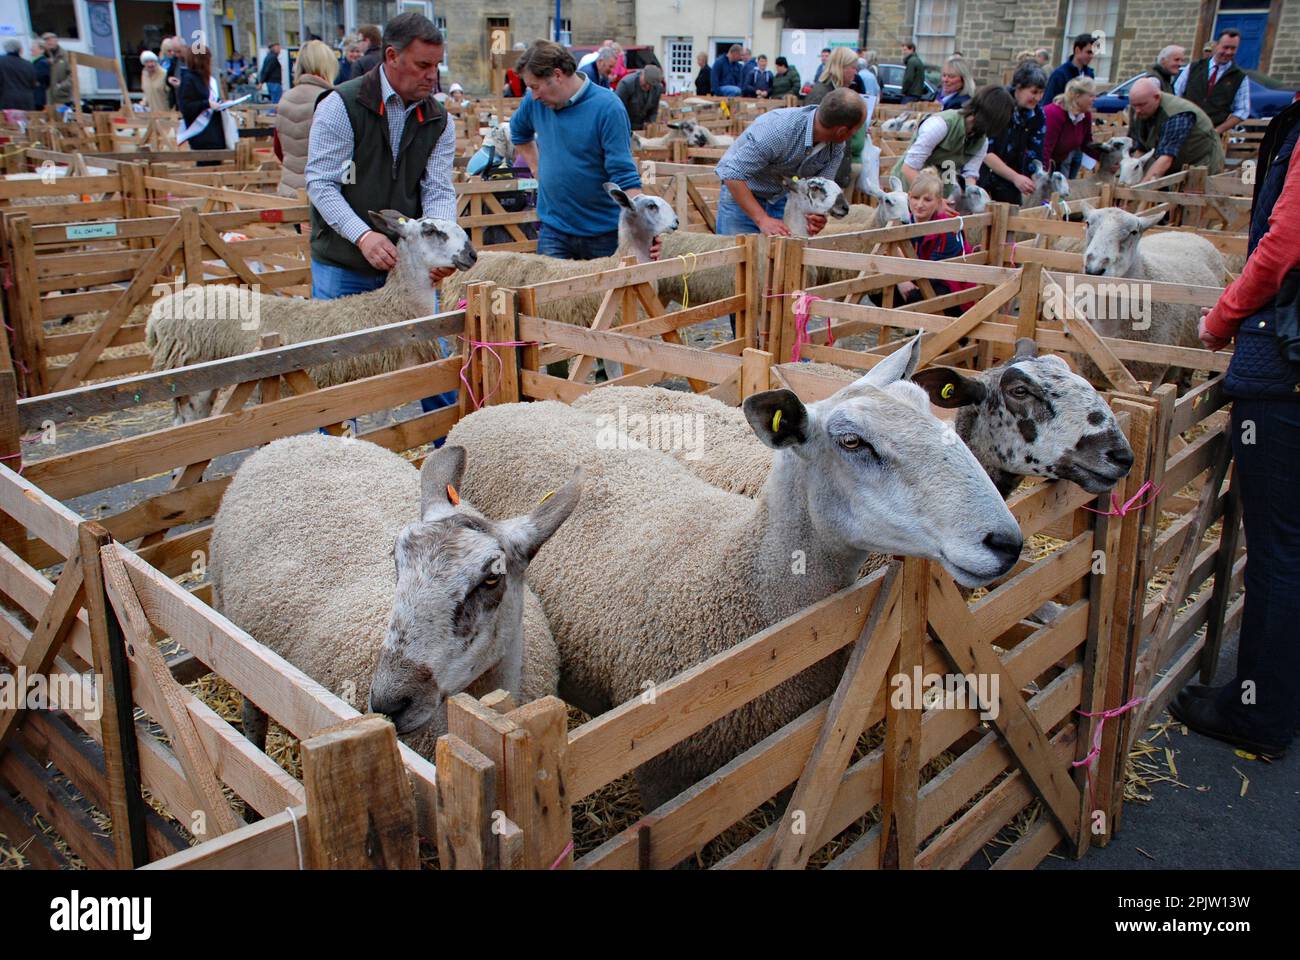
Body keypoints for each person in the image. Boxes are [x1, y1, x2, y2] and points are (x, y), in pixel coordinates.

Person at [1176, 98, 1300, 760]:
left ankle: (1258, 711)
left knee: (1279, 552)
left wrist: (1222, 318)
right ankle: (1280, 694)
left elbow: (1285, 242)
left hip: (1287, 362)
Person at [306, 12, 458, 415]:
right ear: (391, 56)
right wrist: (362, 235)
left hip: (407, 269)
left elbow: (438, 190)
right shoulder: (341, 105)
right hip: (344, 261)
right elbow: (322, 183)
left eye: (436, 66)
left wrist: (438, 251)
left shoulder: (439, 119)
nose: (432, 76)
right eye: (423, 65)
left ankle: (452, 461)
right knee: (336, 371)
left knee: (436, 366)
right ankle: (336, 468)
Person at [509, 40, 646, 260]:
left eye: (535, 86)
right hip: (554, 230)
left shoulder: (608, 107)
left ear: (557, 75)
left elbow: (623, 173)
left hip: (603, 233)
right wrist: (537, 168)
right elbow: (518, 132)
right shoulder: (534, 102)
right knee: (551, 294)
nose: (533, 94)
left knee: (603, 295)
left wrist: (643, 222)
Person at [714, 88, 866, 237]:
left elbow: (821, 187)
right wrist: (762, 219)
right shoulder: (778, 132)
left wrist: (817, 217)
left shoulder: (836, 147)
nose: (856, 135)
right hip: (743, 197)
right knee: (738, 258)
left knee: (779, 259)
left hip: (782, 199)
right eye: (857, 130)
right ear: (842, 131)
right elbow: (732, 174)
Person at [893, 84, 1015, 202]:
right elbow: (909, 168)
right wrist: (935, 202)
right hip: (908, 192)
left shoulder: (982, 142)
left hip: (941, 194)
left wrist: (969, 197)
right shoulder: (940, 125)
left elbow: (970, 176)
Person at [893, 168, 975, 308]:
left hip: (951, 286)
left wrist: (902, 277)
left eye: (927, 200)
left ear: (938, 201)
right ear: (909, 197)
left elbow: (933, 272)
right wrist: (901, 280)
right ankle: (903, 324)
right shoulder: (905, 222)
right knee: (878, 290)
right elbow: (887, 251)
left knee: (914, 296)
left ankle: (923, 325)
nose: (919, 205)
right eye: (915, 198)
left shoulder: (948, 228)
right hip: (917, 277)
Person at [1127, 76, 1224, 179]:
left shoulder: (1177, 115)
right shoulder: (1141, 112)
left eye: (1142, 105)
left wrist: (1140, 188)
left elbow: (1166, 158)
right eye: (1134, 105)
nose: (1137, 110)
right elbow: (1141, 149)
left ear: (1157, 97)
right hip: (1175, 165)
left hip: (1201, 164)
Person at [978, 62, 1047, 205]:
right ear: (1019, 88)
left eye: (1041, 93)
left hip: (1013, 183)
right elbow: (985, 152)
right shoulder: (998, 106)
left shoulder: (1038, 115)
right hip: (984, 176)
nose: (1038, 98)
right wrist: (1016, 177)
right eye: (1034, 92)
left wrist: (1037, 177)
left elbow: (1036, 153)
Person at [275, 39, 336, 199]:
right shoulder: (330, 99)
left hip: (289, 190)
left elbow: (278, 148)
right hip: (321, 195)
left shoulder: (286, 98)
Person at [807, 47, 868, 190]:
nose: (855, 72)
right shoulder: (821, 94)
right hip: (821, 177)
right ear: (841, 67)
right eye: (853, 67)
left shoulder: (840, 93)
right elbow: (811, 137)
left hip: (836, 173)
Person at [1175, 28, 1249, 134]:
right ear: (1216, 46)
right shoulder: (1193, 68)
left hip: (1212, 135)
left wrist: (1218, 130)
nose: (1228, 52)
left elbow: (1243, 110)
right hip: (1184, 129)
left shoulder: (1239, 77)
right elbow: (1176, 94)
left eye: (1233, 48)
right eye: (1225, 47)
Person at [176, 47, 233, 162]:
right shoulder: (189, 80)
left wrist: (222, 104)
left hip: (214, 131)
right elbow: (186, 107)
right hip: (202, 133)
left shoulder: (206, 79)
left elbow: (212, 100)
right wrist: (206, 104)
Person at [1043, 76, 1099, 174]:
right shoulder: (1054, 114)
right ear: (1077, 96)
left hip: (1058, 163)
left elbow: (1087, 144)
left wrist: (1107, 158)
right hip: (1039, 165)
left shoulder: (1085, 115)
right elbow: (1045, 150)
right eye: (1091, 96)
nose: (1095, 99)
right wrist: (1044, 179)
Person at [1043, 33, 1094, 103]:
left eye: (1093, 53)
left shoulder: (1089, 74)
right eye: (1089, 52)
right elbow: (1047, 103)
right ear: (1077, 50)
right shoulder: (1060, 74)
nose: (1091, 56)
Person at [615, 64, 663, 130]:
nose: (647, 86)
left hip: (642, 128)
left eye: (651, 85)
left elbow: (653, 111)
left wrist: (650, 124)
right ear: (642, 74)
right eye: (646, 83)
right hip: (625, 126)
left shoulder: (657, 88)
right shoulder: (626, 84)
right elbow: (617, 111)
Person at [0, 38, 36, 111]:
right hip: (26, 101)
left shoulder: (1, 61)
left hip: (5, 101)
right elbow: (33, 84)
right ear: (20, 50)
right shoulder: (28, 64)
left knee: (6, 122)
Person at [40, 33, 72, 107]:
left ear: (56, 40)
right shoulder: (42, 57)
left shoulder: (65, 55)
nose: (49, 42)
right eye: (46, 40)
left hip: (61, 96)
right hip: (45, 97)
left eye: (51, 39)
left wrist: (61, 86)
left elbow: (72, 75)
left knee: (62, 117)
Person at [32, 40, 48, 110]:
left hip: (39, 97)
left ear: (42, 50)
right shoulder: (36, 61)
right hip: (36, 96)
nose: (31, 49)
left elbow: (40, 78)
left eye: (34, 48)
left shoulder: (42, 62)